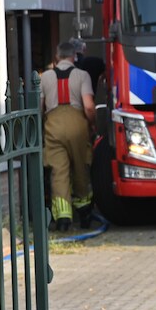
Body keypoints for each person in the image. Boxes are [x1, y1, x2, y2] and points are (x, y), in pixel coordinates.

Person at [39, 41, 96, 232]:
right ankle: (85, 212)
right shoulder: (82, 75)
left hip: (53, 125)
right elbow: (88, 105)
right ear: (74, 56)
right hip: (77, 125)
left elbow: (39, 106)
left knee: (58, 171)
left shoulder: (44, 77)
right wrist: (91, 123)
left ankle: (63, 218)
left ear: (57, 56)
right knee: (81, 168)